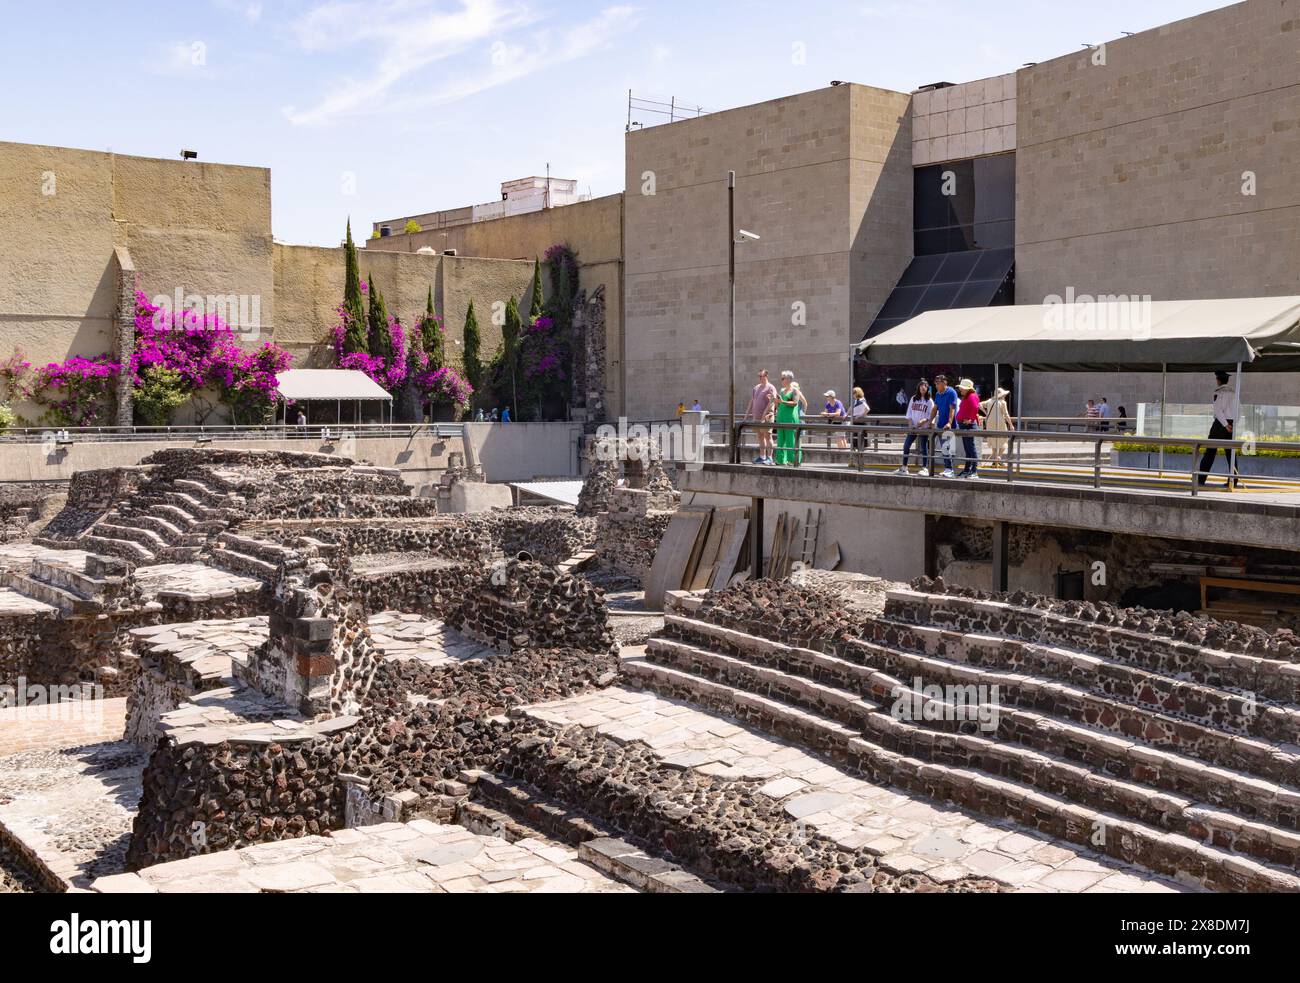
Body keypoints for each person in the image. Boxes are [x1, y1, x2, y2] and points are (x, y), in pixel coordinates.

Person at [1197, 370, 1240, 488]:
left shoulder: (1218, 392)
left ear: (1218, 380)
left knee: (1210, 451)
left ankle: (1201, 478)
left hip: (1221, 424)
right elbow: (1239, 411)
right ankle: (1234, 481)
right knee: (1231, 453)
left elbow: (1218, 410)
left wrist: (1226, 425)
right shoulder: (1233, 392)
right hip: (1232, 423)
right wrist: (1233, 424)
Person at [895, 379, 933, 476]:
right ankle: (904, 467)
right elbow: (909, 413)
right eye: (921, 386)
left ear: (927, 388)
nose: (922, 388)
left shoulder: (929, 401)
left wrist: (924, 421)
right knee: (906, 445)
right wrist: (910, 424)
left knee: (924, 448)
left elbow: (931, 415)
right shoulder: (914, 398)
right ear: (918, 388)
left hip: (923, 428)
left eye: (924, 386)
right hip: (913, 428)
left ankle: (925, 468)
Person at [745, 369, 778, 465]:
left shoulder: (771, 387)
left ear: (766, 376)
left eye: (761, 376)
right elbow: (752, 401)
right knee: (760, 437)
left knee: (768, 436)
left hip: (767, 417)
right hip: (756, 417)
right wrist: (746, 414)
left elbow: (772, 401)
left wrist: (764, 414)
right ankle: (762, 456)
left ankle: (770, 458)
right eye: (758, 376)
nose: (759, 378)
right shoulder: (756, 388)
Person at [930, 374, 959, 478]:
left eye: (938, 383)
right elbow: (935, 408)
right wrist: (930, 421)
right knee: (944, 448)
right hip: (940, 424)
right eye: (935, 383)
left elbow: (952, 409)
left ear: (944, 382)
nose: (936, 385)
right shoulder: (938, 394)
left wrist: (949, 423)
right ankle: (947, 469)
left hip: (949, 425)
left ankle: (950, 470)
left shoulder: (951, 392)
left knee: (948, 448)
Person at [774, 370, 806, 466]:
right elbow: (778, 405)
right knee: (780, 439)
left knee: (791, 439)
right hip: (781, 417)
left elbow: (795, 403)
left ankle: (793, 460)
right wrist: (775, 400)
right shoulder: (781, 391)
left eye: (783, 378)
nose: (781, 380)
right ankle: (780, 460)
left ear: (788, 379)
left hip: (790, 418)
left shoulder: (795, 390)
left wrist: (782, 402)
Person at [980, 386, 1015, 468]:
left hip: (989, 422)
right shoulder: (1002, 402)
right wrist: (1011, 425)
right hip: (1000, 422)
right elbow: (1006, 414)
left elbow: (979, 404)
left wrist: (986, 413)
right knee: (1004, 439)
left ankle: (995, 460)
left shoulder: (990, 401)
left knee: (993, 440)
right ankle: (999, 458)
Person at [955, 378, 982, 478]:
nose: (960, 389)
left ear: (968, 389)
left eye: (962, 388)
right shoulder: (967, 396)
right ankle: (967, 470)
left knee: (971, 448)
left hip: (968, 425)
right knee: (968, 449)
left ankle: (974, 470)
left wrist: (970, 419)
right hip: (965, 425)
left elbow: (975, 408)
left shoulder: (971, 396)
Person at [849, 387, 870, 469]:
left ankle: (860, 463)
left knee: (860, 444)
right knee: (856, 443)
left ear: (857, 393)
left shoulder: (861, 400)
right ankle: (859, 462)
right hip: (856, 423)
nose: (853, 395)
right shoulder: (855, 401)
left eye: (854, 393)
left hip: (861, 423)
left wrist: (860, 416)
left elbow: (867, 409)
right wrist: (846, 415)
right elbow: (851, 408)